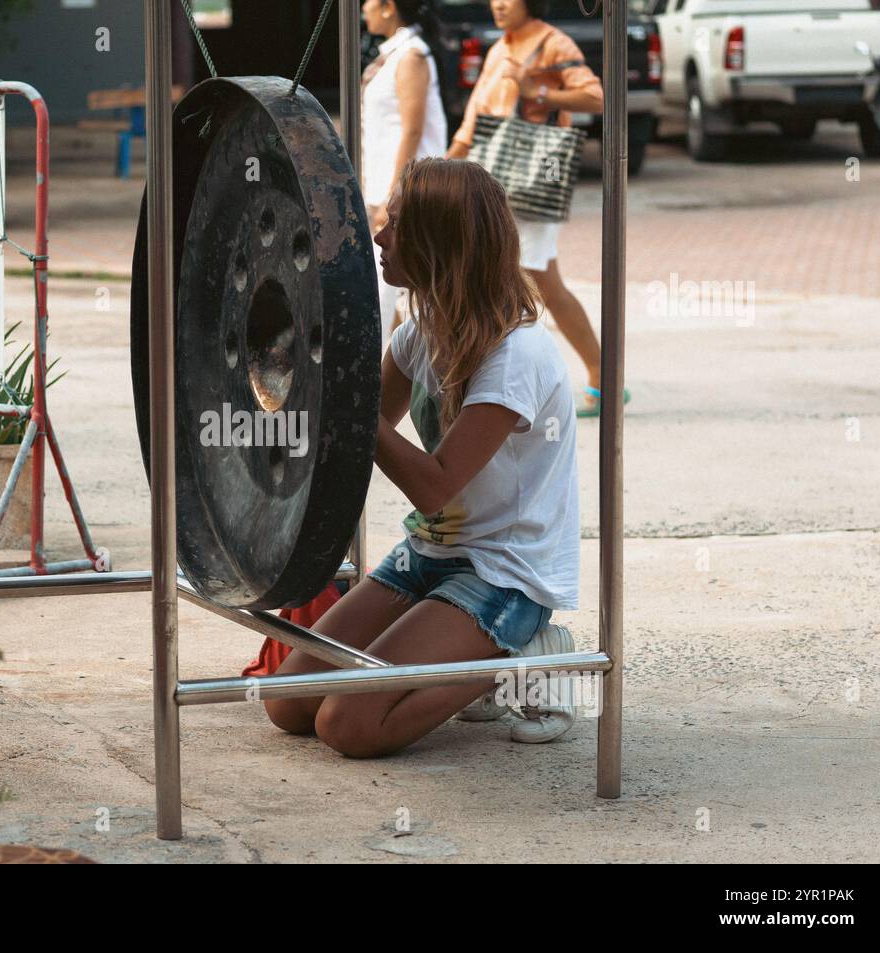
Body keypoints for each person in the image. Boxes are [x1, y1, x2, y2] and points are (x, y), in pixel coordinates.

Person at [263, 159, 580, 757]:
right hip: (430, 553)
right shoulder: (421, 332)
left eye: (398, 225)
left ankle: (522, 657)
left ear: (442, 243)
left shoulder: (515, 355)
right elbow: (363, 439)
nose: (380, 237)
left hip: (503, 573)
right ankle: (460, 657)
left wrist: (343, 400)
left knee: (350, 728)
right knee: (288, 703)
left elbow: (434, 487)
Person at [446, 0, 626, 417]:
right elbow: (476, 115)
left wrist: (539, 91)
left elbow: (597, 96)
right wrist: (448, 162)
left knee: (535, 279)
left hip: (534, 180)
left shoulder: (552, 43)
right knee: (536, 281)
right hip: (496, 182)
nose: (499, 4)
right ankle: (597, 376)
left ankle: (598, 376)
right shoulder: (499, 47)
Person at [360, 0, 446, 346]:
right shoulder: (394, 53)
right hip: (382, 189)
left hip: (402, 194)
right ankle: (401, 376)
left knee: (398, 288)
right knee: (396, 292)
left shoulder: (412, 55)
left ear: (388, 7)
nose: (363, 9)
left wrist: (395, 195)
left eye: (368, 2)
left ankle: (388, 385)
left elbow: (412, 130)